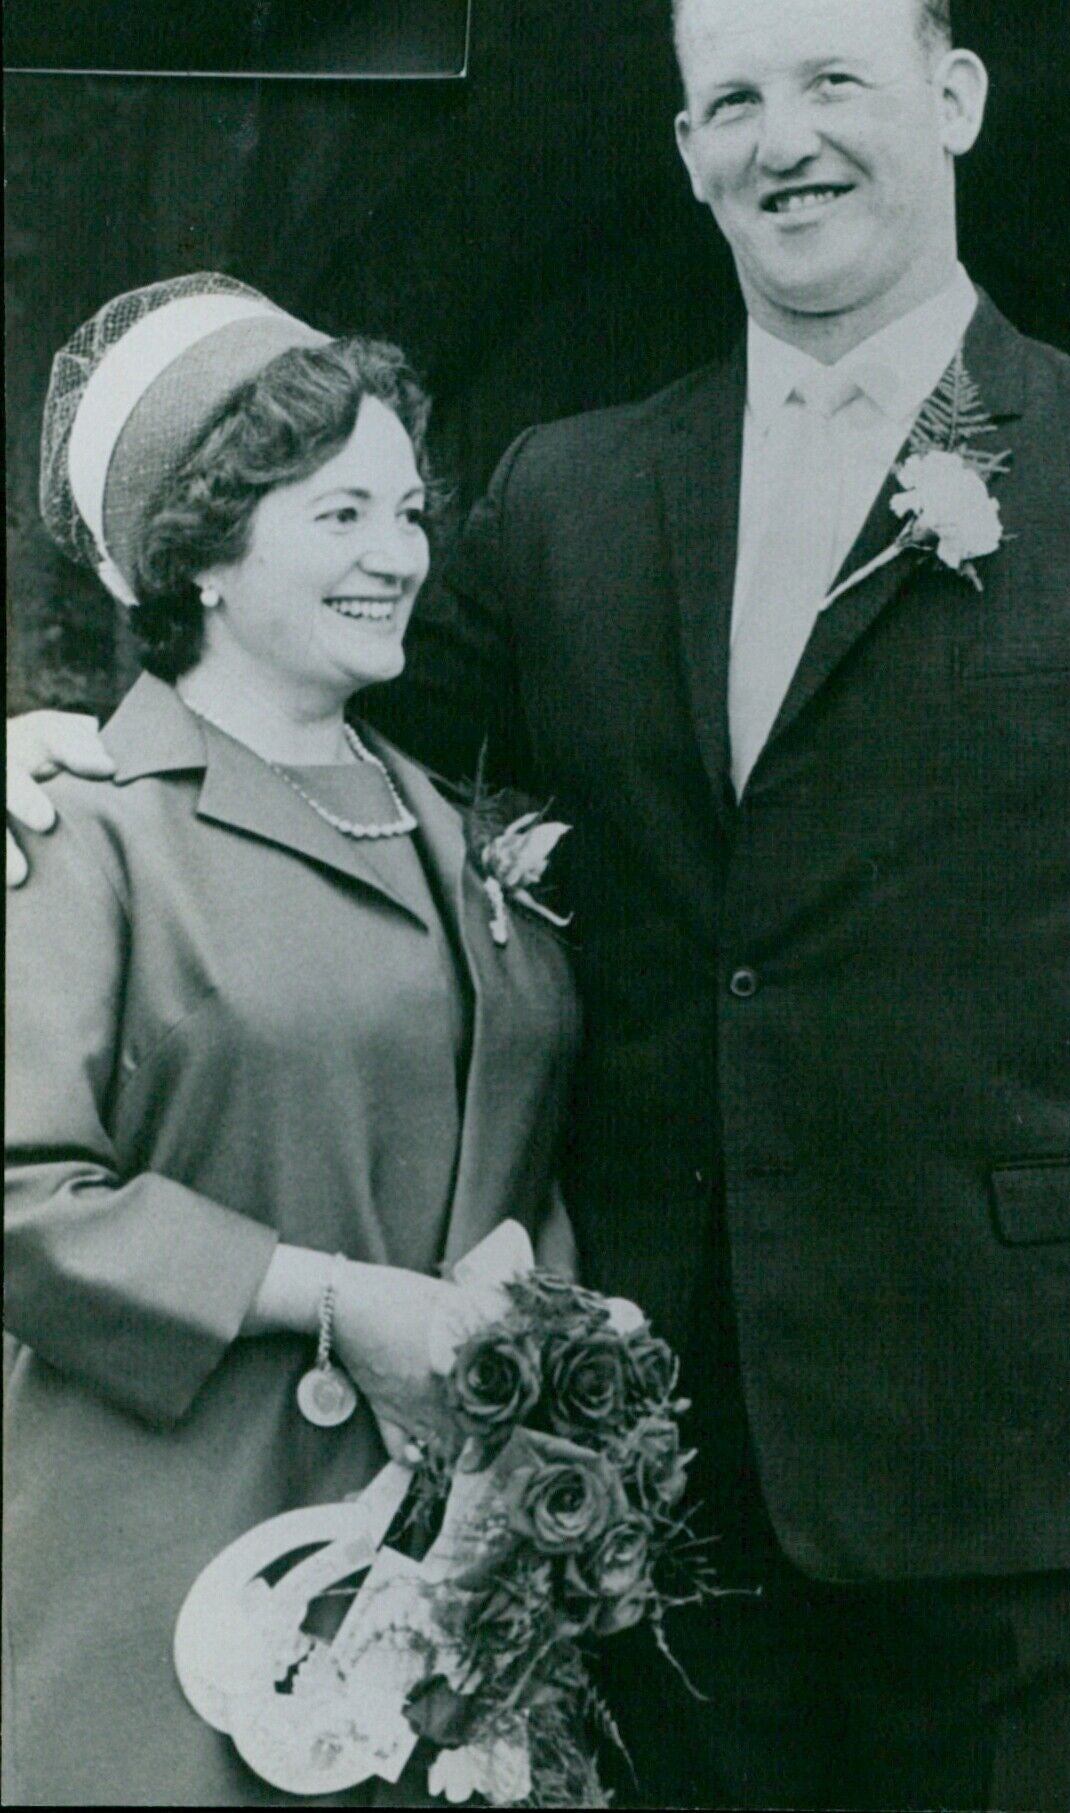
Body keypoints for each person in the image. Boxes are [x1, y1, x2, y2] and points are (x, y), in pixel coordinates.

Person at [9, 0, 1070, 1813]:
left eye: (833, 81)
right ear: (688, 151)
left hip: (999, 1427)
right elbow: (281, 695)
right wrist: (57, 741)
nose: (783, 136)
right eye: (729, 100)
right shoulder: (571, 491)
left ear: (951, 98)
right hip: (639, 1443)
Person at [3, 275, 578, 1806]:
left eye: (406, 511)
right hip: (168, 1569)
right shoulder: (81, 829)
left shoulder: (448, 821)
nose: (400, 556)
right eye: (339, 518)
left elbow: (507, 1142)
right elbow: (18, 1196)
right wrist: (340, 1300)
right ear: (200, 550)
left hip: (421, 1605)